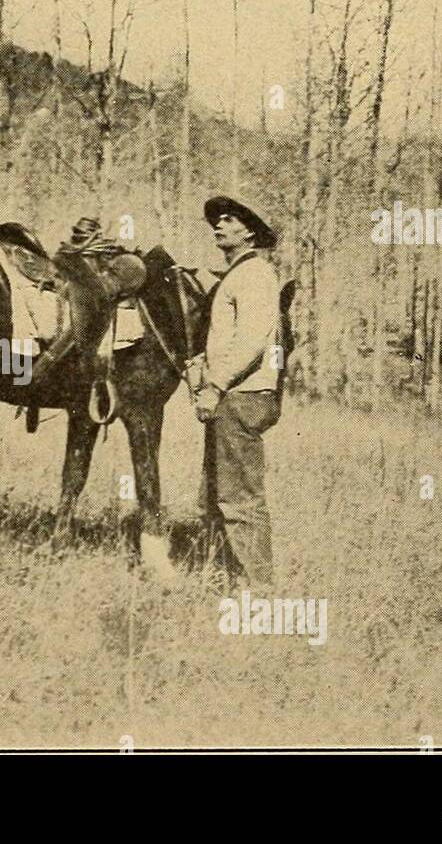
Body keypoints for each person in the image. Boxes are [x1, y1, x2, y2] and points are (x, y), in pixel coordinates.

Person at [193, 196, 283, 589]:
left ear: (248, 231)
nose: (218, 225)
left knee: (239, 497)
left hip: (241, 396)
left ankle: (257, 587)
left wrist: (215, 384)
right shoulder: (240, 274)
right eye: (216, 220)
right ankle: (223, 576)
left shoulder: (254, 274)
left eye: (227, 220)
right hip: (234, 394)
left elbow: (251, 341)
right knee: (215, 493)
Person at [28, 217, 148, 387]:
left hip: (93, 284)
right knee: (82, 323)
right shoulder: (70, 259)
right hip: (81, 289)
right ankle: (45, 368)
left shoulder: (86, 257)